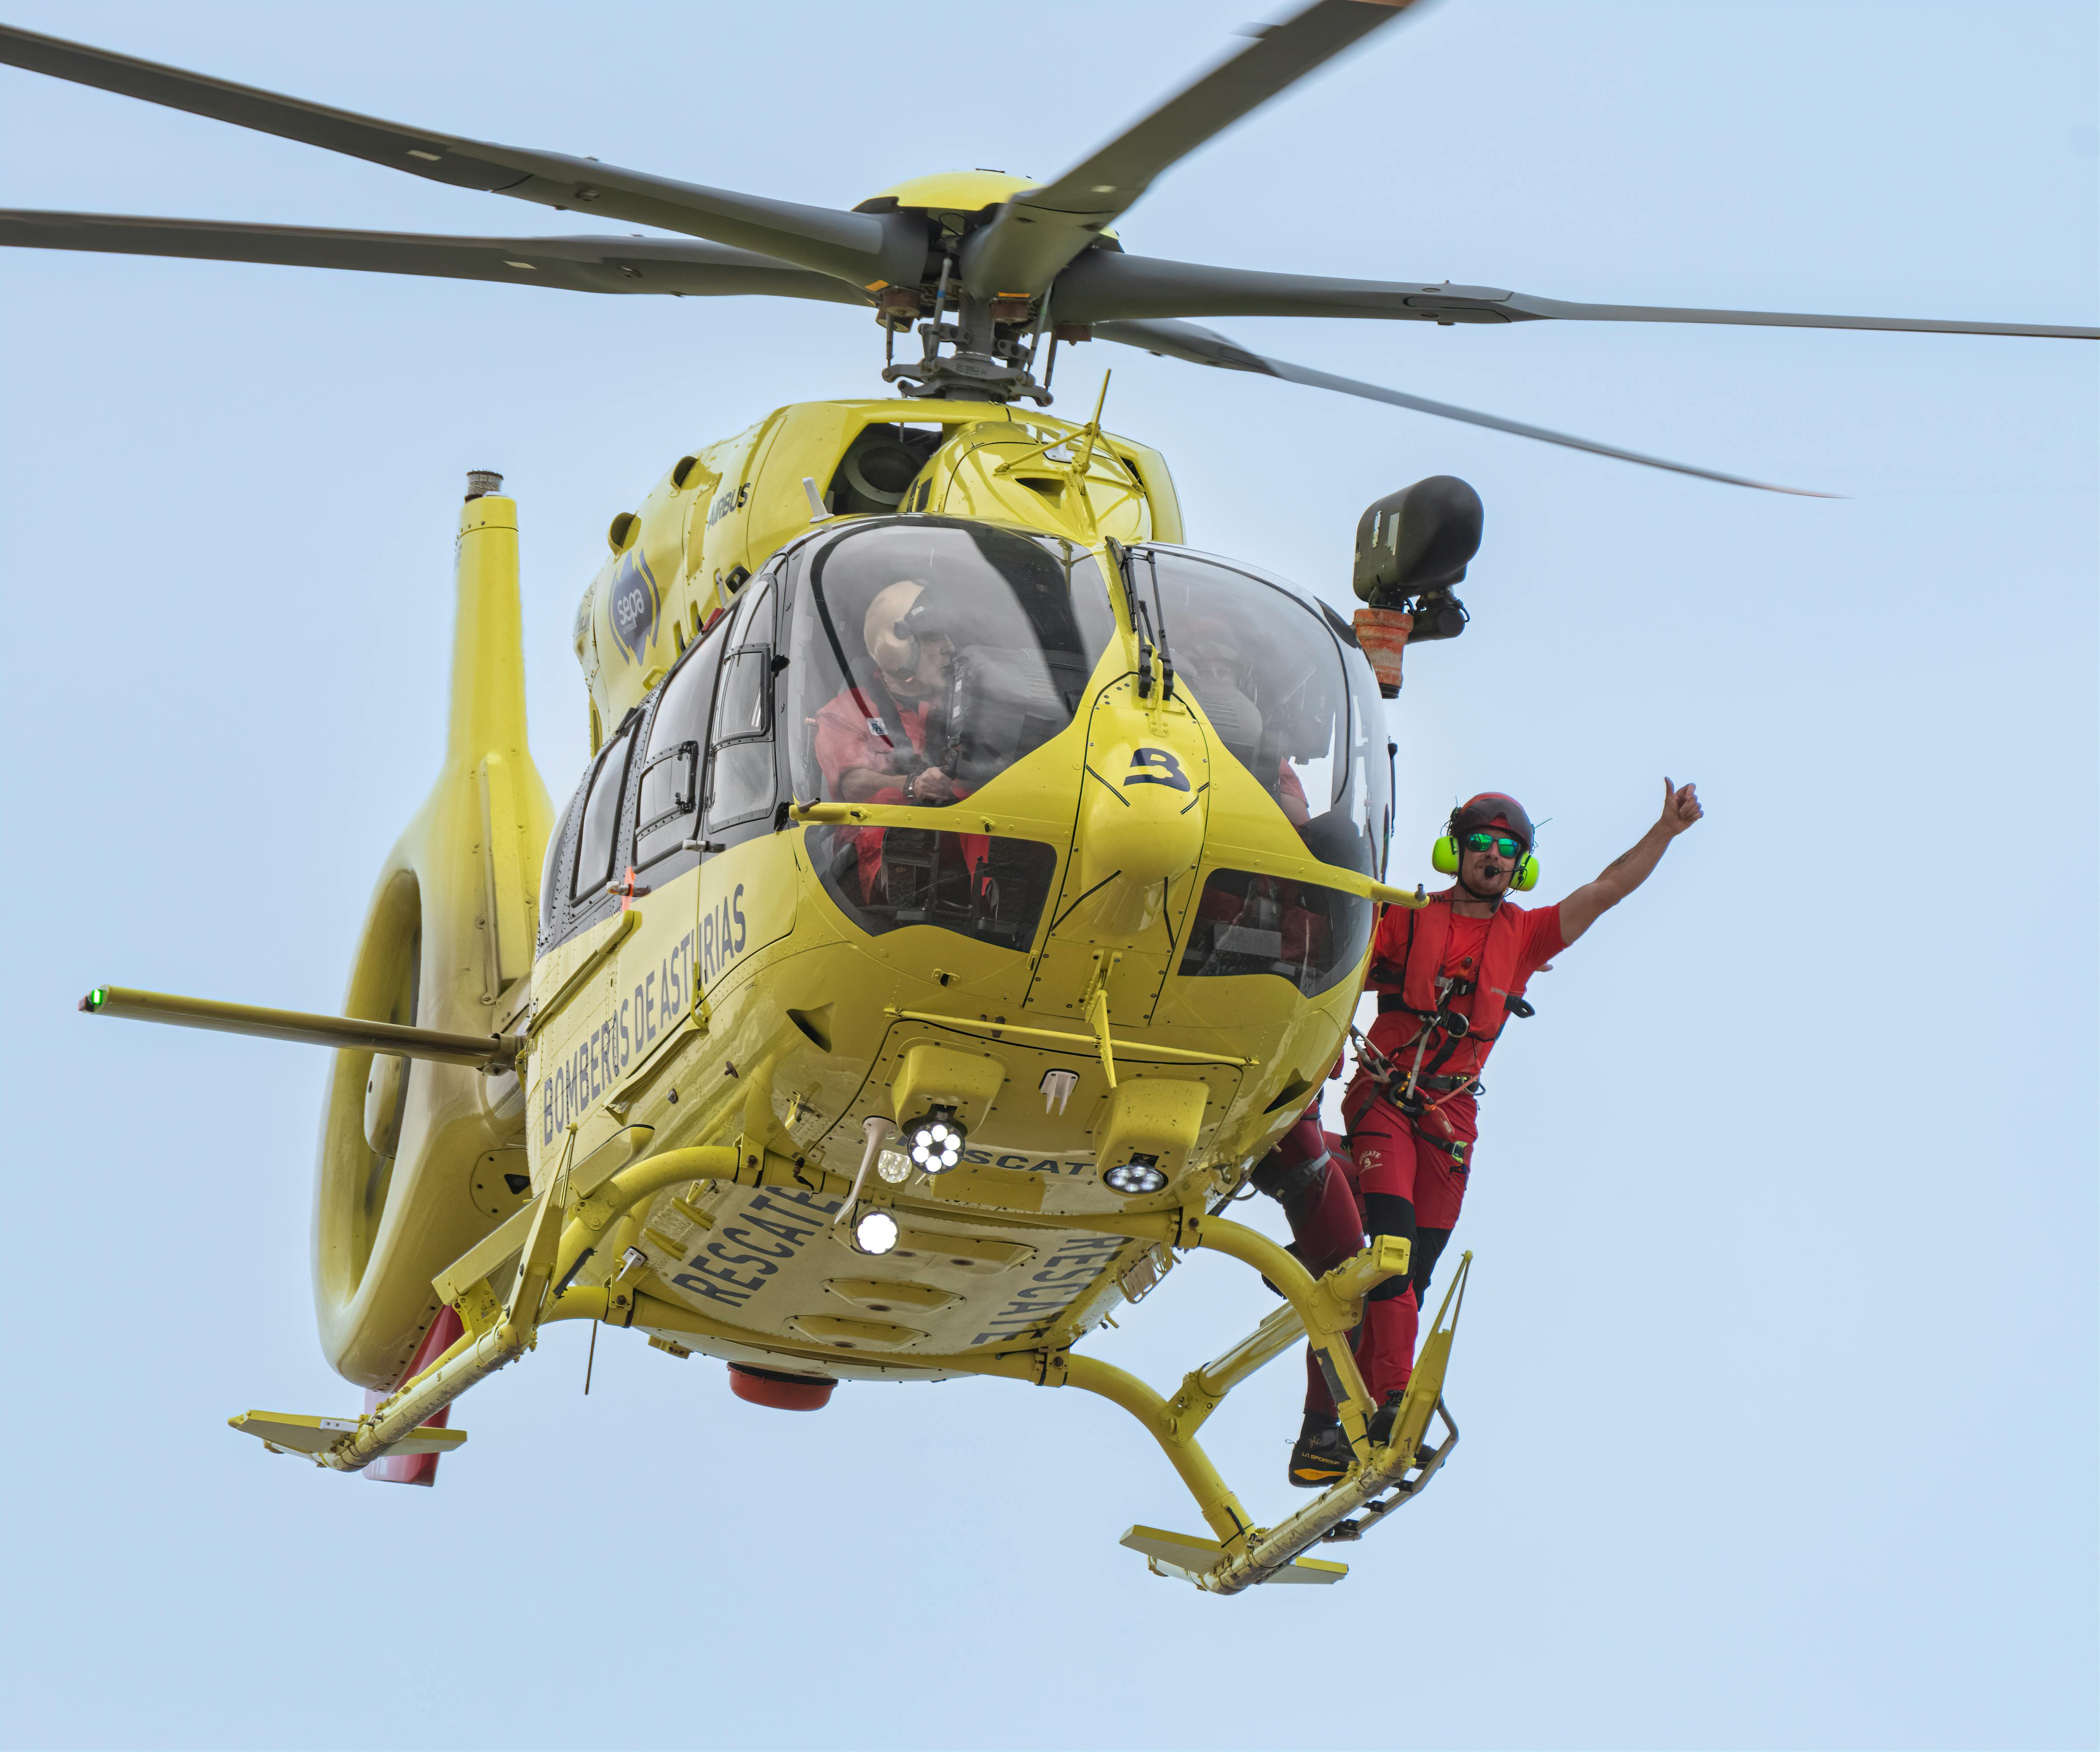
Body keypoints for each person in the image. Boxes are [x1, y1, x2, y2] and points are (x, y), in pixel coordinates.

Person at [1277, 780, 1706, 1486]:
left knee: (1410, 1275)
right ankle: (1390, 1402)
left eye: (1509, 849)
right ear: (1455, 850)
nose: (1493, 856)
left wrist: (1664, 831)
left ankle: (1326, 1433)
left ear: (1522, 866)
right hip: (1385, 1100)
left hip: (1451, 1125)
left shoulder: (1526, 934)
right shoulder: (1409, 917)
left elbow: (1606, 890)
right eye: (1479, 842)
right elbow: (1336, 956)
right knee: (1388, 1256)